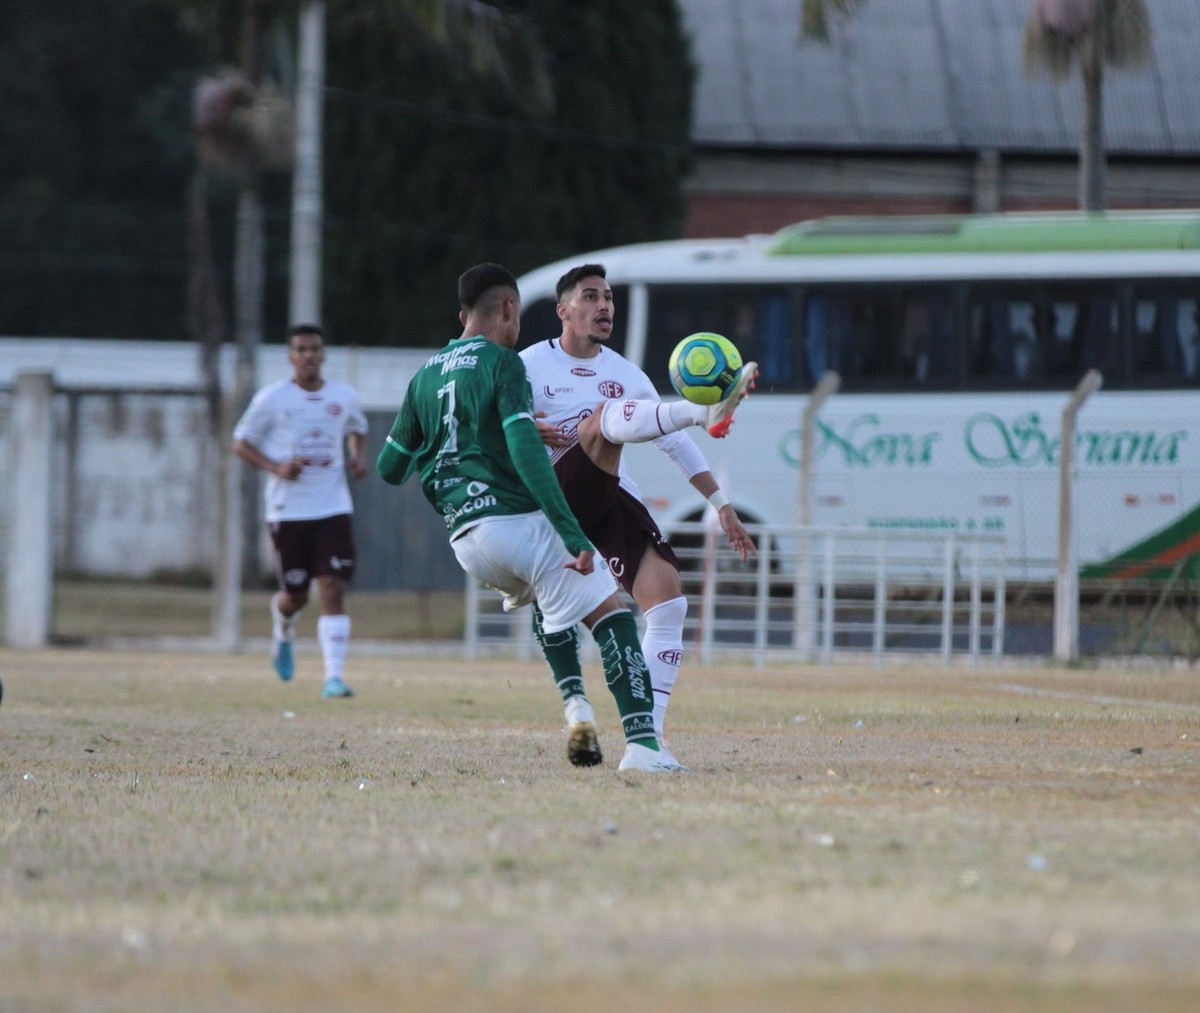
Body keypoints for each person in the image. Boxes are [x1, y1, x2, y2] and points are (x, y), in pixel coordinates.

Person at [377, 262, 677, 772]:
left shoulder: (423, 377)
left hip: (466, 541)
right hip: (512, 525)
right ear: (509, 309)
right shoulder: (504, 363)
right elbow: (526, 451)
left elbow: (390, 468)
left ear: (462, 314)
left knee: (550, 601)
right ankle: (646, 748)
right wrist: (570, 531)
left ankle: (577, 707)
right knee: (615, 620)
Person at [520, 263, 758, 768]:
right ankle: (702, 409)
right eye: (591, 296)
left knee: (668, 603)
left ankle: (648, 743)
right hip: (547, 501)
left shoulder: (625, 373)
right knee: (603, 423)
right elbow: (494, 423)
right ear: (563, 310)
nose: (604, 306)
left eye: (608, 297)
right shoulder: (527, 366)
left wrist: (723, 507)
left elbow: (674, 445)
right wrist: (521, 426)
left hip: (607, 498)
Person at [232, 323, 368, 699]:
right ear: (290, 356)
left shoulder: (344, 396)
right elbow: (240, 443)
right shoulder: (271, 399)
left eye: (315, 349)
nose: (309, 356)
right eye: (301, 349)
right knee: (296, 595)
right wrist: (276, 467)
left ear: (323, 355)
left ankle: (333, 678)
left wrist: (357, 458)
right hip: (288, 511)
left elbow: (358, 428)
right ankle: (283, 628)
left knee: (332, 586)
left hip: (333, 507)